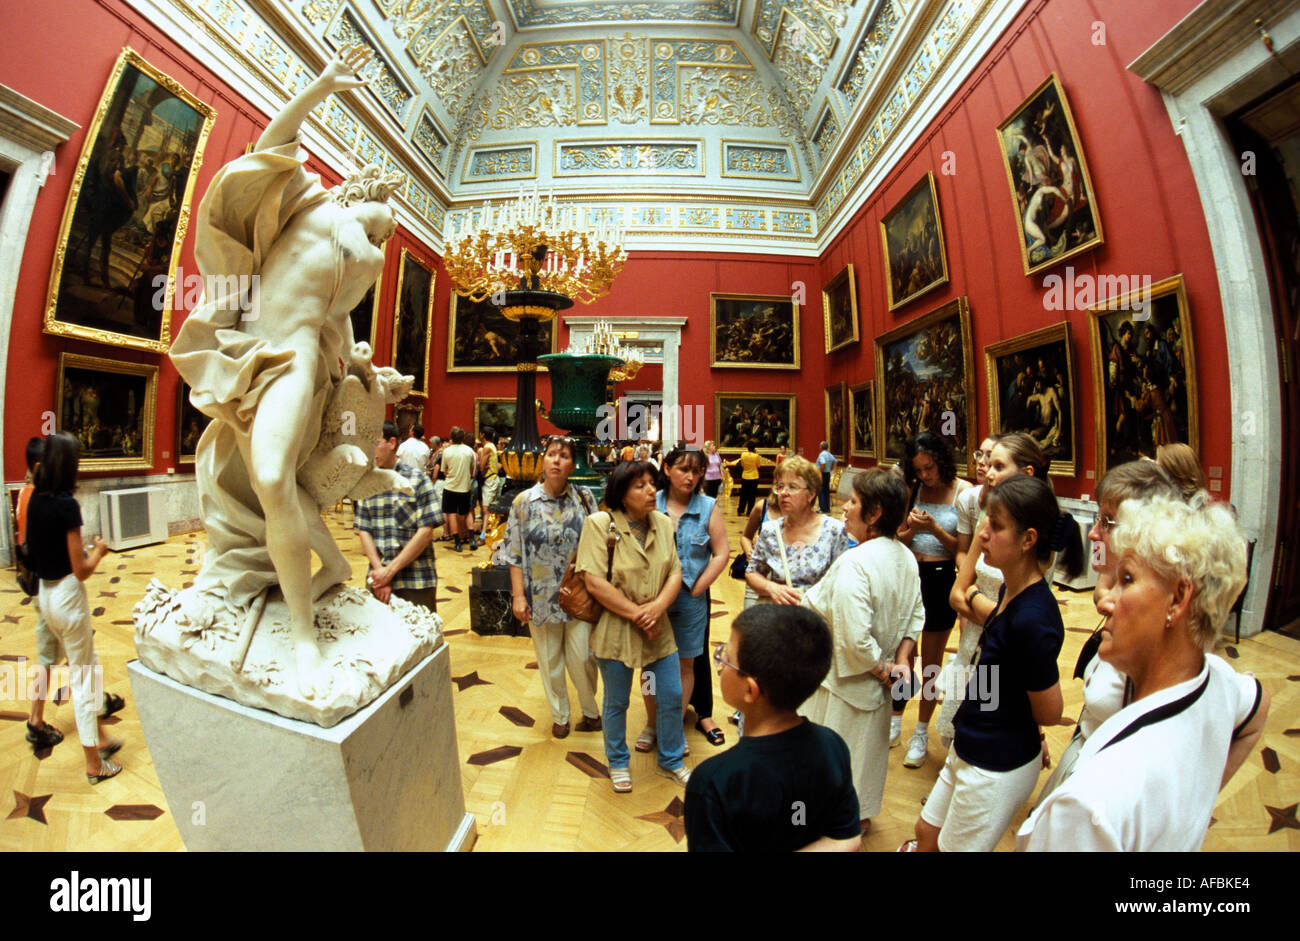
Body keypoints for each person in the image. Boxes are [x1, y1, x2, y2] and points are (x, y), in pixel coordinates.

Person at [169, 46, 407, 694]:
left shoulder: (372, 258)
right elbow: (274, 143)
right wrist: (322, 86)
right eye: (387, 222)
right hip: (243, 348)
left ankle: (303, 631)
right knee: (267, 482)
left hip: (295, 357)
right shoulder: (307, 202)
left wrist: (361, 364)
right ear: (365, 193)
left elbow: (338, 323)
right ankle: (315, 573)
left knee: (274, 475)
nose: (389, 237)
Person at [1017, 494, 1268, 850]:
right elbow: (1259, 706)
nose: (1105, 601)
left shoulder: (1092, 802)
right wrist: (1193, 805)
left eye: (1128, 578)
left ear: (1179, 598)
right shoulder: (1218, 678)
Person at [911, 475, 1072, 852]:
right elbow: (991, 620)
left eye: (995, 526)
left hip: (996, 762)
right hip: (971, 740)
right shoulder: (1008, 592)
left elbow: (1050, 710)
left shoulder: (1033, 618)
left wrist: (1036, 734)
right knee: (925, 833)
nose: (983, 534)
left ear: (1028, 540)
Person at [800, 469, 924, 830]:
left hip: (845, 686)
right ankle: (858, 816)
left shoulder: (856, 563)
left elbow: (855, 640)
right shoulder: (906, 557)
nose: (844, 508)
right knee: (865, 757)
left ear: (874, 514)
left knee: (838, 757)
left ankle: (833, 827)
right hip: (876, 685)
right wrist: (899, 663)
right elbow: (915, 616)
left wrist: (885, 670)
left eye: (853, 502)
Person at [684, 606, 862, 852]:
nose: (721, 664)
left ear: (750, 690)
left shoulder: (713, 781)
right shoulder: (832, 745)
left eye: (726, 658)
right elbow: (847, 839)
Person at [577, 460, 687, 792]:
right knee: (617, 701)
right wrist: (641, 615)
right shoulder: (600, 525)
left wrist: (656, 609)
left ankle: (670, 759)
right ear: (622, 494)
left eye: (652, 483)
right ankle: (618, 762)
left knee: (668, 694)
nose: (651, 490)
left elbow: (676, 573)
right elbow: (594, 582)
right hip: (618, 630)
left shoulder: (664, 524)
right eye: (640, 486)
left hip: (658, 628)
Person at [25, 433, 122, 784]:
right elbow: (81, 569)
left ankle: (104, 739)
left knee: (88, 668)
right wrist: (99, 550)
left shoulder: (35, 498)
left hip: (46, 598)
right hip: (68, 596)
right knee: (83, 681)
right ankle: (94, 764)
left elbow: (34, 555)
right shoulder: (67, 505)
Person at [505, 436, 601, 739]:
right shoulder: (523, 503)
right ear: (543, 461)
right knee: (549, 660)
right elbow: (513, 553)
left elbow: (599, 544)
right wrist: (518, 596)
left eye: (564, 456)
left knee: (583, 657)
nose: (557, 460)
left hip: (581, 595)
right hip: (541, 596)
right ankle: (560, 716)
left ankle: (591, 711)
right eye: (551, 454)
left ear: (573, 465)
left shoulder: (585, 498)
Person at [640, 446, 730, 752]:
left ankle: (673, 725)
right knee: (649, 665)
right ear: (667, 469)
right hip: (652, 599)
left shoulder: (707, 507)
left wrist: (698, 587)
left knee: (685, 666)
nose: (690, 477)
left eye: (696, 471)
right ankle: (652, 723)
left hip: (690, 601)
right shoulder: (652, 504)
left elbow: (721, 553)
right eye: (683, 469)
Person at [892, 433, 972, 767]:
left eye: (929, 467)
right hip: (911, 574)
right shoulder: (915, 490)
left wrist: (936, 529)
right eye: (919, 470)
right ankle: (896, 717)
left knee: (932, 663)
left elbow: (964, 551)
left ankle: (921, 731)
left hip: (942, 578)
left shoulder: (965, 492)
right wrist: (911, 528)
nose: (925, 475)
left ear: (942, 459)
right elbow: (898, 537)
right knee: (903, 653)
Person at [934, 434, 999, 747]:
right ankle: (956, 757)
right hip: (975, 607)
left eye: (996, 461)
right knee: (965, 679)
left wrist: (971, 598)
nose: (984, 464)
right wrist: (970, 591)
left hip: (991, 621)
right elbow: (964, 554)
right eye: (982, 456)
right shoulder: (975, 503)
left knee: (989, 696)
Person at [353, 421, 443, 612]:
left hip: (416, 581)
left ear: (392, 443)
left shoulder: (417, 480)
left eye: (374, 444)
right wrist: (380, 572)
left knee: (420, 638)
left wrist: (390, 571)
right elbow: (364, 530)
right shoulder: (365, 483)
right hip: (378, 582)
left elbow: (426, 532)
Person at [746, 456, 850, 606]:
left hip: (818, 619)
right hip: (780, 619)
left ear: (811, 494)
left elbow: (843, 581)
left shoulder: (834, 530)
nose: (783, 493)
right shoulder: (771, 531)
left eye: (792, 487)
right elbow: (752, 572)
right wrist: (771, 588)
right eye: (780, 486)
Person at [436, 426, 477, 551]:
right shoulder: (469, 451)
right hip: (465, 487)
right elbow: (472, 471)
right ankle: (471, 538)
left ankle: (458, 543)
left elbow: (444, 471)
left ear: (451, 438)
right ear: (462, 438)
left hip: (450, 487)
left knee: (451, 514)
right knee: (467, 512)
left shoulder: (447, 452)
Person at [727, 442, 765, 517]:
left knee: (743, 495)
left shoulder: (743, 455)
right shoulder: (756, 456)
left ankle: (740, 511)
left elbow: (743, 465)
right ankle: (749, 512)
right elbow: (759, 465)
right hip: (754, 477)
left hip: (745, 476)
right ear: (754, 448)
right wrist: (756, 454)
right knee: (752, 496)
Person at [479, 425, 503, 512]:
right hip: (493, 478)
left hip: (490, 479)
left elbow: (481, 467)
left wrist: (482, 466)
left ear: (483, 435)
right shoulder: (492, 445)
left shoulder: (487, 447)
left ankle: (486, 526)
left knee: (486, 509)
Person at [814, 440, 837, 513]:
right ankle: (827, 508)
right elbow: (835, 461)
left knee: (821, 491)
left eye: (820, 446)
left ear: (821, 447)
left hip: (823, 474)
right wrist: (831, 469)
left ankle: (822, 508)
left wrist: (819, 472)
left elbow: (823, 463)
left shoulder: (822, 455)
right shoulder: (829, 454)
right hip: (827, 474)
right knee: (826, 491)